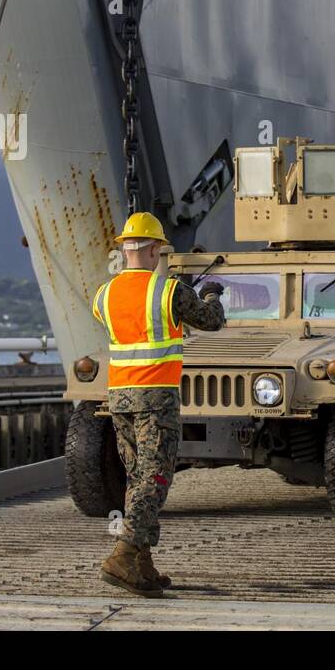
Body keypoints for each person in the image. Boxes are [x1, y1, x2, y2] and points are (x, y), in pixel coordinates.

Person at [92, 212, 226, 597]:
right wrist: (213, 292)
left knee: (137, 478)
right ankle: (124, 553)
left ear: (125, 248)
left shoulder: (104, 294)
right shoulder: (168, 291)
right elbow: (211, 320)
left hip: (119, 397)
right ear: (154, 249)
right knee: (157, 477)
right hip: (156, 399)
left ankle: (141, 565)